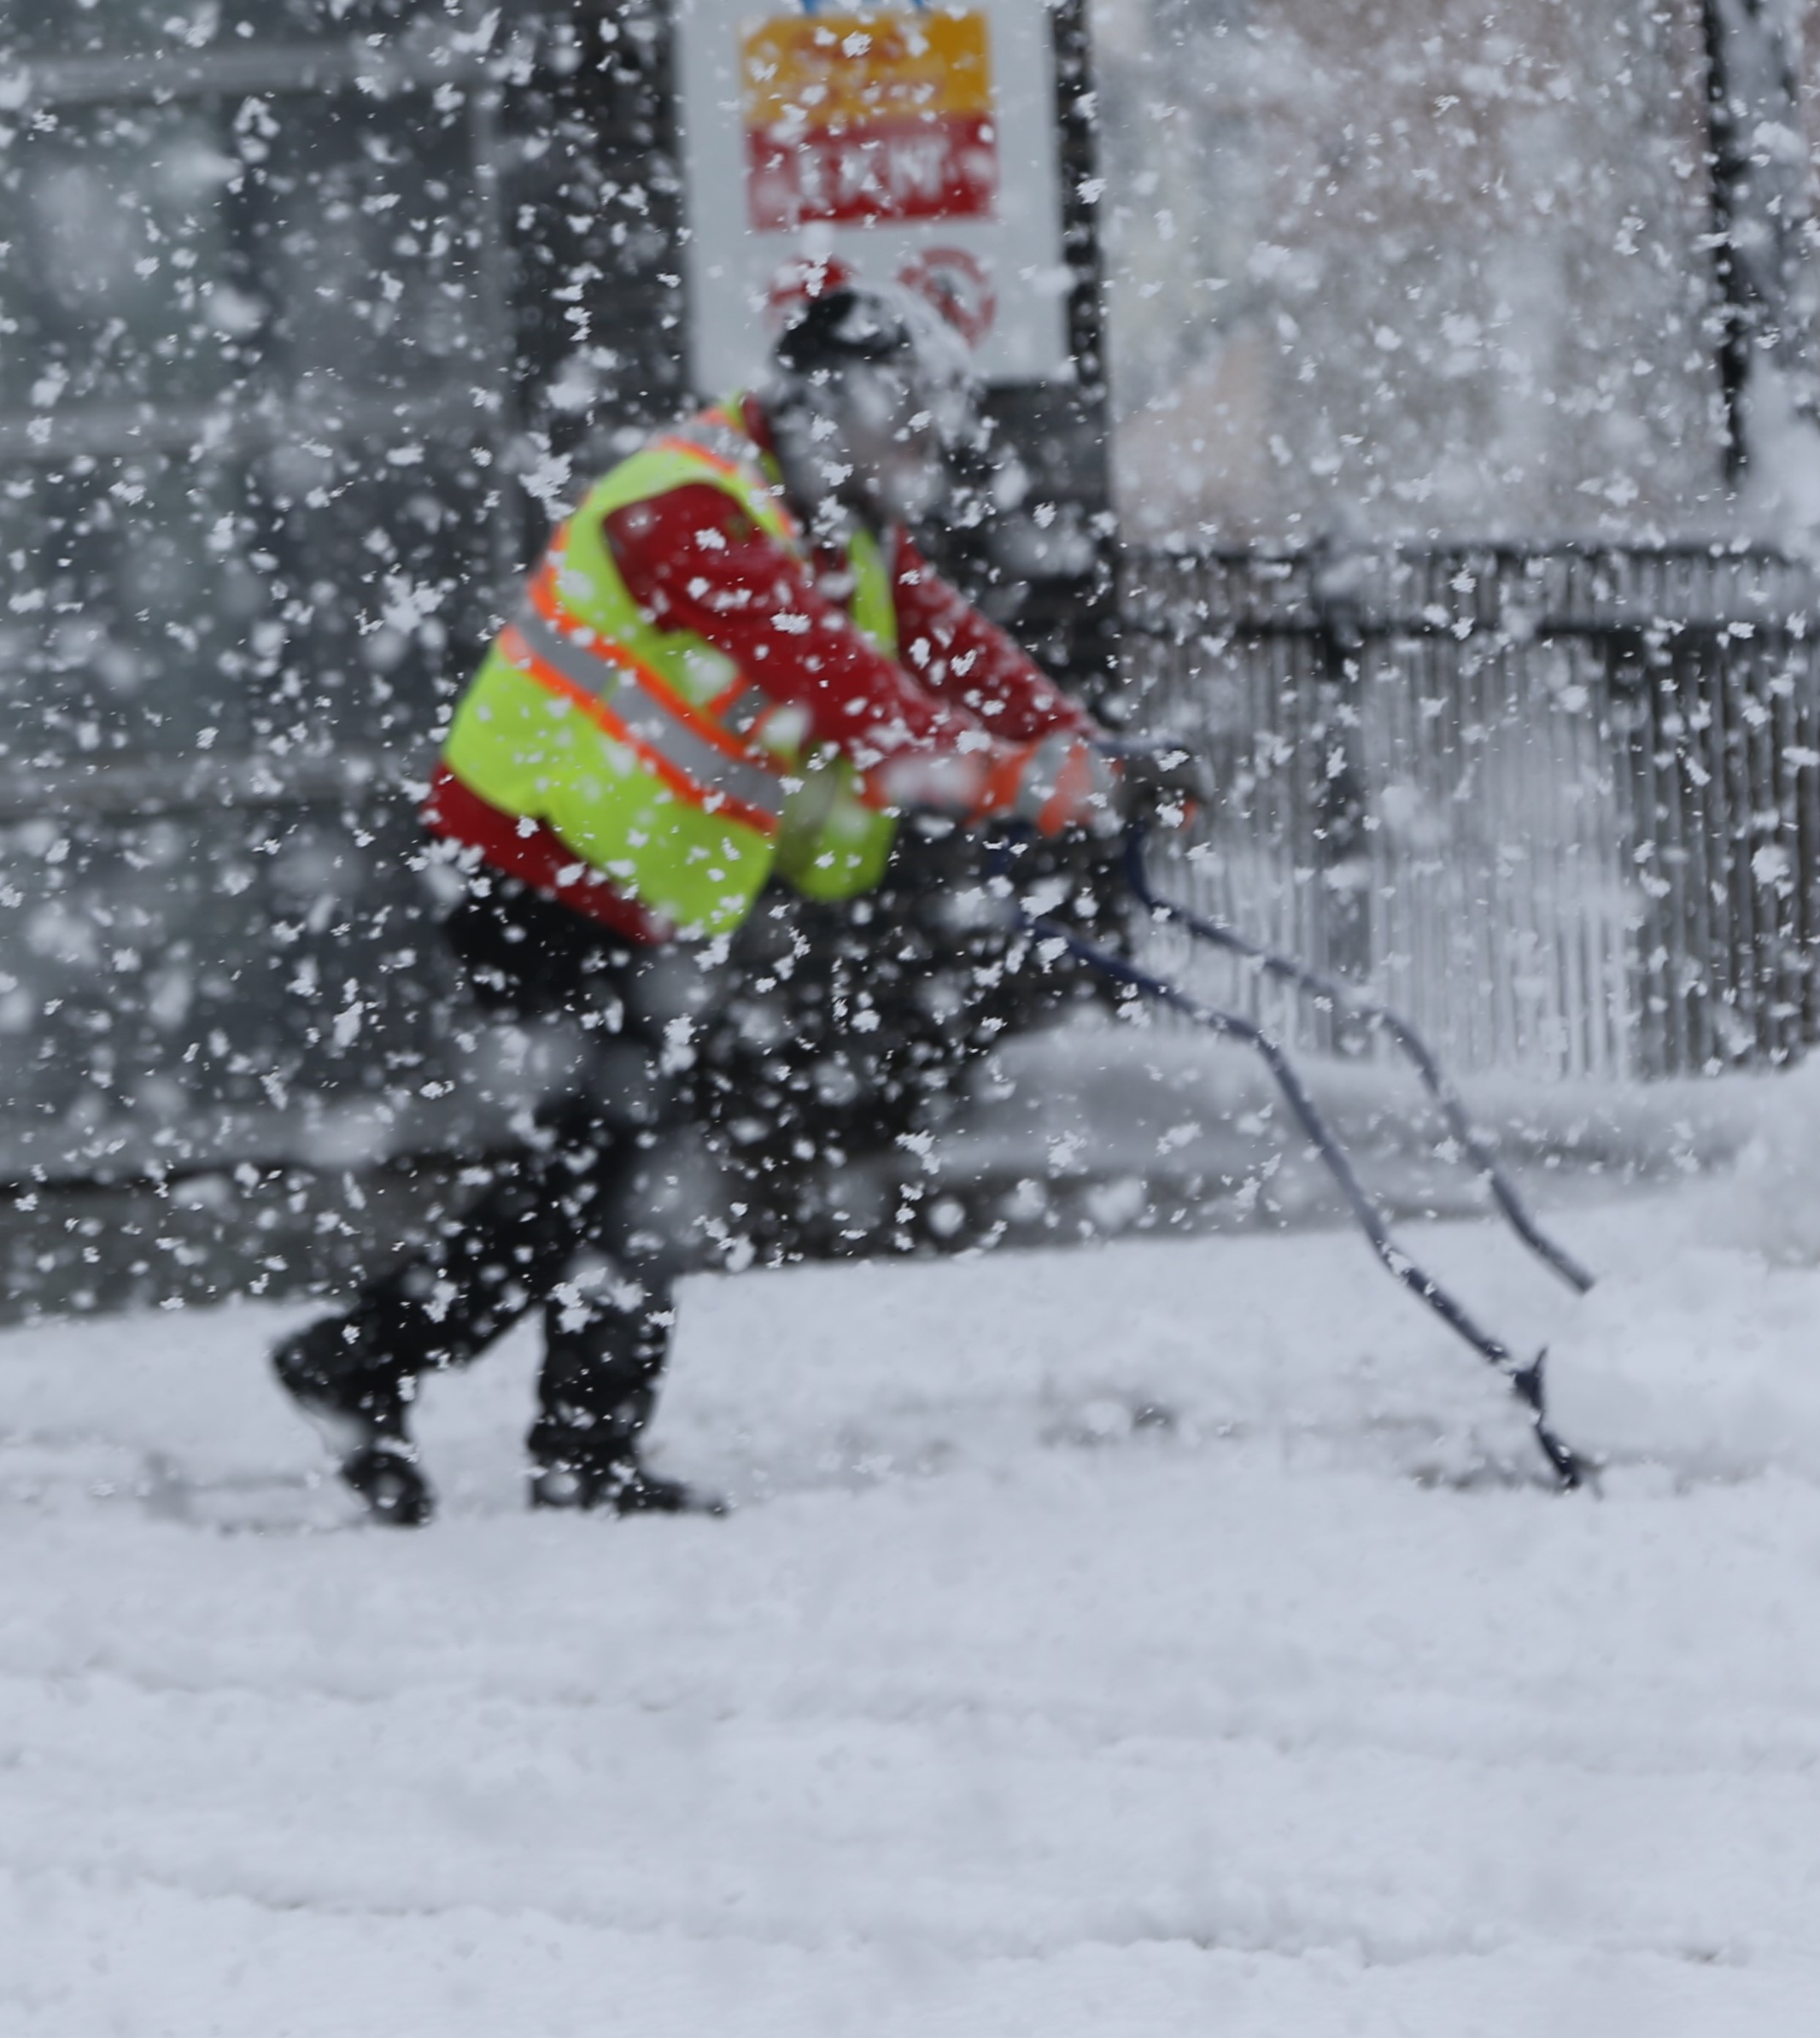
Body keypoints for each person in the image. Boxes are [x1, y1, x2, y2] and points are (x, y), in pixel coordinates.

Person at [272, 283, 1202, 1526]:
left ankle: (412, 1378)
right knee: (625, 1158)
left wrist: (1097, 755)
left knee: (605, 1164)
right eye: (907, 415)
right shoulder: (685, 512)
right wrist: (1047, 792)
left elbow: (945, 649)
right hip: (530, 868)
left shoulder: (839, 527)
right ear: (832, 406)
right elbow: (854, 703)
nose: (926, 445)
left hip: (632, 892)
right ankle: (478, 1407)